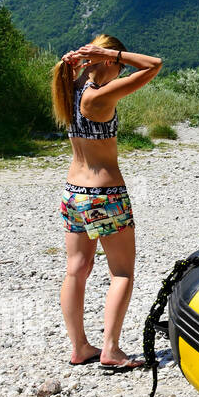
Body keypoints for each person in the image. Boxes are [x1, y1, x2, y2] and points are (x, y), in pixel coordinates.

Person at [52, 35, 163, 369]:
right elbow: (154, 65)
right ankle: (111, 350)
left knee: (76, 269)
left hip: (74, 192)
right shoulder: (99, 96)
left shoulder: (69, 88)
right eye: (116, 62)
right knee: (122, 273)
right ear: (108, 61)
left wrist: (89, 61)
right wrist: (114, 53)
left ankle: (80, 347)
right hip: (105, 194)